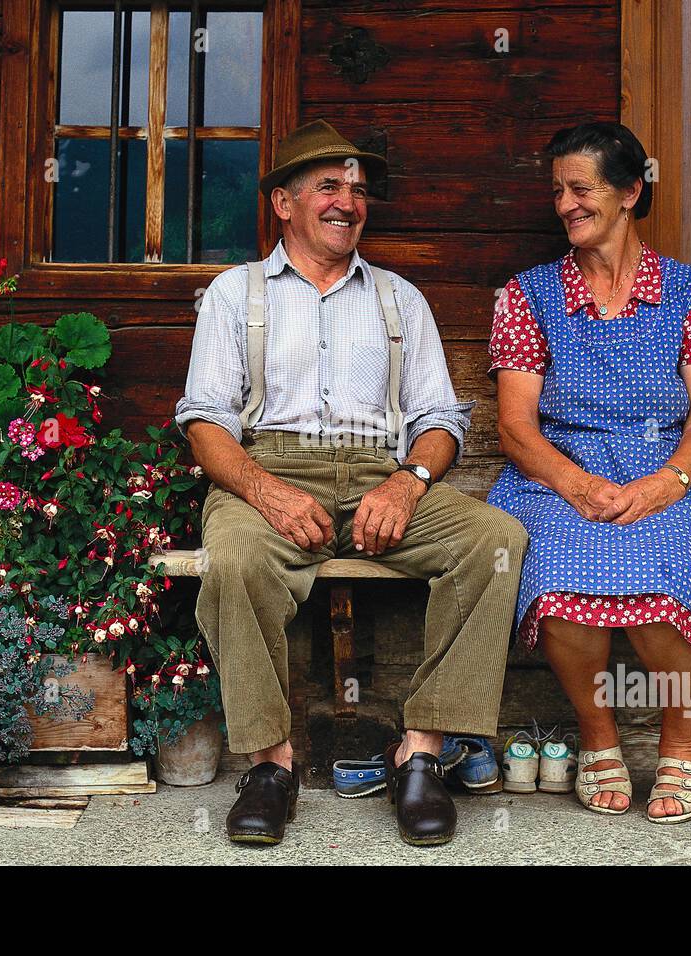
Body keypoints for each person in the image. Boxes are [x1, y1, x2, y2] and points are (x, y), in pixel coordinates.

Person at [175, 120, 528, 847]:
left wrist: (408, 482)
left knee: (496, 539)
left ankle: (421, 752)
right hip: (267, 471)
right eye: (329, 187)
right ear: (283, 202)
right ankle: (270, 766)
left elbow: (439, 419)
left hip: (379, 474)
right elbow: (205, 423)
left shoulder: (399, 298)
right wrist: (267, 491)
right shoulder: (233, 295)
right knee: (235, 562)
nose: (348, 202)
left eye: (358, 190)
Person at [486, 121, 691, 824]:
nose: (565, 204)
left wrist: (663, 484)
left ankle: (685, 737)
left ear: (631, 191)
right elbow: (517, 427)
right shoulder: (527, 296)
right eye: (558, 191)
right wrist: (577, 485)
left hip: (676, 473)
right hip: (559, 474)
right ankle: (600, 735)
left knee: (663, 556)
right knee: (553, 565)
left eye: (581, 189)